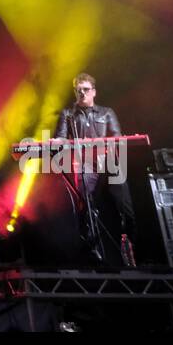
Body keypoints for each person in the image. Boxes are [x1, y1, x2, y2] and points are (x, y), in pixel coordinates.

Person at [53, 72, 136, 262]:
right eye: (78, 90)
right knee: (85, 207)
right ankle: (90, 250)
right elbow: (61, 137)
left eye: (85, 90)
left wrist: (103, 145)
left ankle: (131, 245)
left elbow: (117, 137)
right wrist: (56, 141)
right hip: (84, 164)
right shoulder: (68, 114)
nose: (81, 93)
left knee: (126, 208)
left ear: (94, 92)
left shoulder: (107, 113)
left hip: (109, 163)